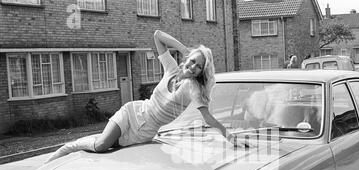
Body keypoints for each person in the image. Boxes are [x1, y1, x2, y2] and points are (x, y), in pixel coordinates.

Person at [46, 30, 242, 163]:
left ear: (201, 72)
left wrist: (230, 137)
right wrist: (185, 49)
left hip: (144, 132)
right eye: (192, 61)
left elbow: (208, 119)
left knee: (108, 149)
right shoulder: (171, 68)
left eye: (198, 66)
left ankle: (91, 142)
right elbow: (157, 35)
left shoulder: (193, 89)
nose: (193, 67)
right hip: (133, 112)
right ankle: (68, 148)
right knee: (101, 145)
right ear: (186, 59)